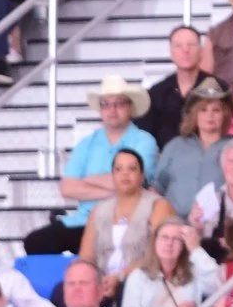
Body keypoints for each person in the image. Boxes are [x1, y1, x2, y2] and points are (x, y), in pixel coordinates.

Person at [24, 75, 159, 255]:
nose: (112, 110)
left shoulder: (144, 140)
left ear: (131, 107)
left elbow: (133, 183)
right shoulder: (86, 143)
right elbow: (67, 188)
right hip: (85, 221)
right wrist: (115, 188)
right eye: (106, 104)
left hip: (127, 221)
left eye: (119, 103)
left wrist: (88, 181)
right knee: (36, 242)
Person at [81, 149, 177, 303]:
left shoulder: (158, 206)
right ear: (112, 176)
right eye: (118, 169)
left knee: (124, 291)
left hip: (143, 280)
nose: (125, 174)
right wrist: (93, 282)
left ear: (142, 176)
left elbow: (159, 255)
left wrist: (120, 277)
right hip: (103, 282)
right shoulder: (98, 210)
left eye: (132, 169)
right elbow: (86, 257)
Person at [156, 78, 233, 222]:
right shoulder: (175, 146)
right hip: (175, 228)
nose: (210, 115)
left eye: (216, 110)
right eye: (203, 110)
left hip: (219, 229)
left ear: (225, 115)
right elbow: (156, 188)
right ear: (194, 114)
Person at [123, 219, 215, 307]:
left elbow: (217, 283)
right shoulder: (139, 276)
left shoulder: (195, 273)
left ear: (183, 245)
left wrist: (195, 249)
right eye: (164, 237)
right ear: (154, 241)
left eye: (176, 239)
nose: (169, 243)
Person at [142, 26, 220, 147]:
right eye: (178, 46)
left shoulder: (217, 88)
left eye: (191, 45)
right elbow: (147, 135)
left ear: (201, 51)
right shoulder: (157, 92)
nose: (185, 50)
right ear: (171, 52)